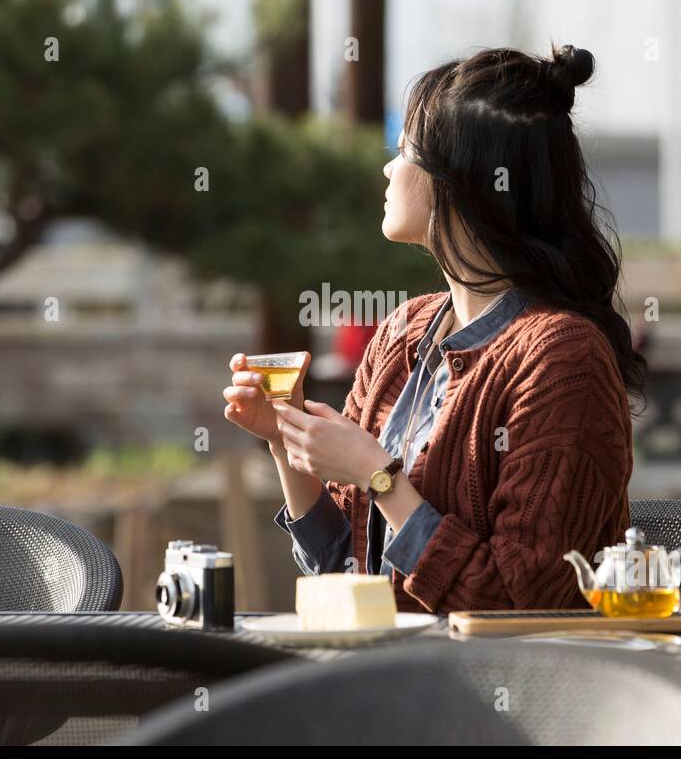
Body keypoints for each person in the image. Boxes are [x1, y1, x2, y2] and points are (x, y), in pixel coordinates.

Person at [223, 44, 645, 614]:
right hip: (388, 673)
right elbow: (348, 570)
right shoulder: (405, 330)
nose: (388, 168)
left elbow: (513, 600)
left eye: (404, 150)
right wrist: (285, 441)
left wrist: (379, 476)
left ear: (461, 182)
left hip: (504, 693)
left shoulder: (562, 357)